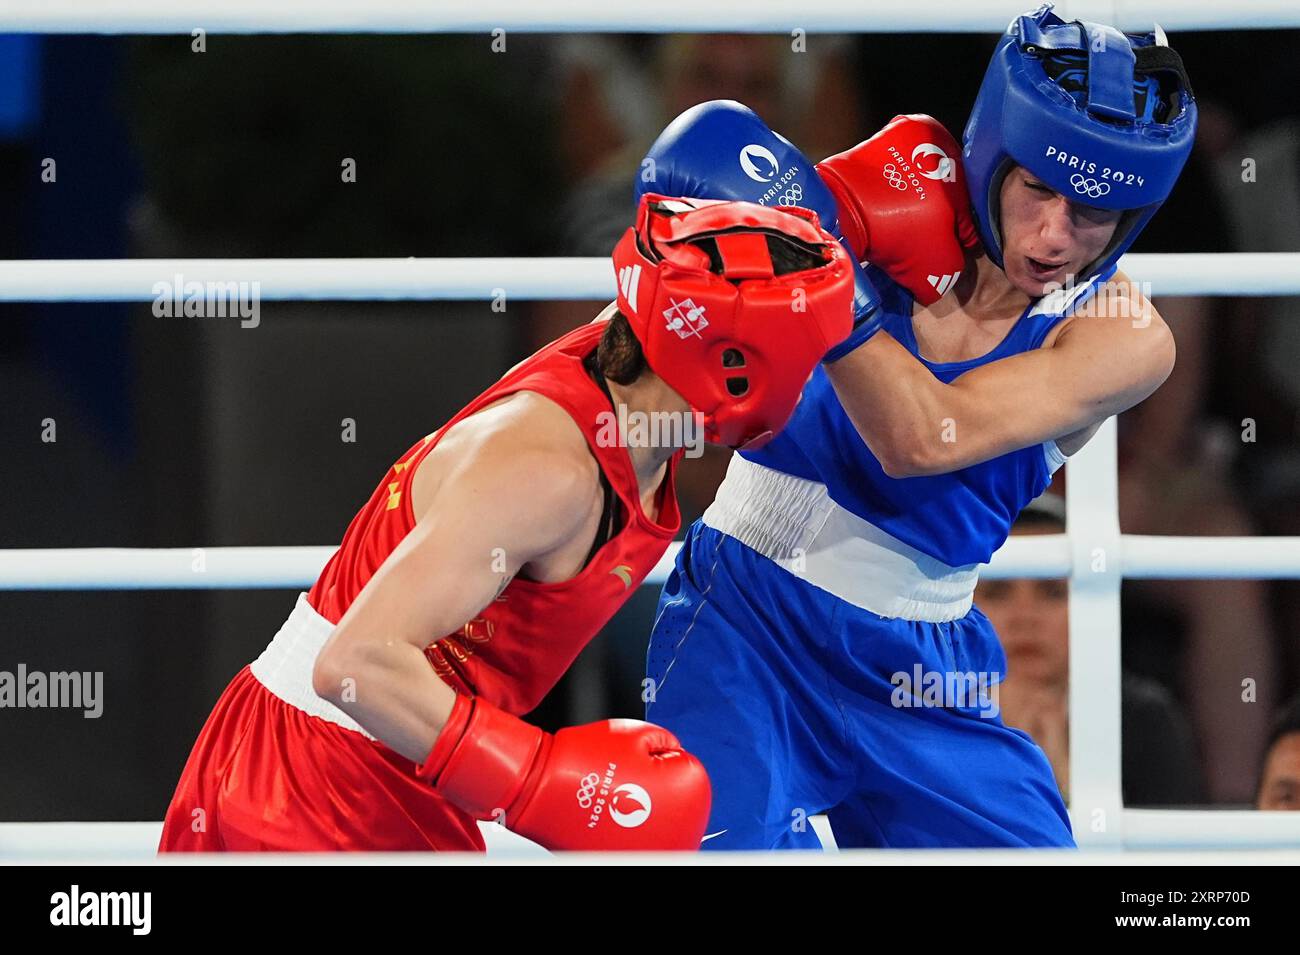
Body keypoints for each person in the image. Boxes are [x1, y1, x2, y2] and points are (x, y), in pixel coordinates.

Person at [638, 3, 1198, 848]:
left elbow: (925, 439)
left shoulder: (1125, 334)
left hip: (925, 667)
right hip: (745, 615)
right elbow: (691, 316)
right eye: (1038, 189)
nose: (1055, 236)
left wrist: (822, 269)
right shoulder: (893, 184)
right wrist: (771, 240)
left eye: (1091, 214)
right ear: (990, 158)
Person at [157, 193, 854, 852]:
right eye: (799, 359)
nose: (809, 383)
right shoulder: (552, 470)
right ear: (733, 367)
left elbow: (696, 290)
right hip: (318, 778)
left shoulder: (637, 360)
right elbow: (353, 665)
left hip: (405, 761)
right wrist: (537, 780)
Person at [980, 494, 1207, 807]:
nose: (1025, 617)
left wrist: (1066, 780)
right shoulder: (925, 705)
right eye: (998, 591)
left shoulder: (1146, 718)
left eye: (1052, 592)